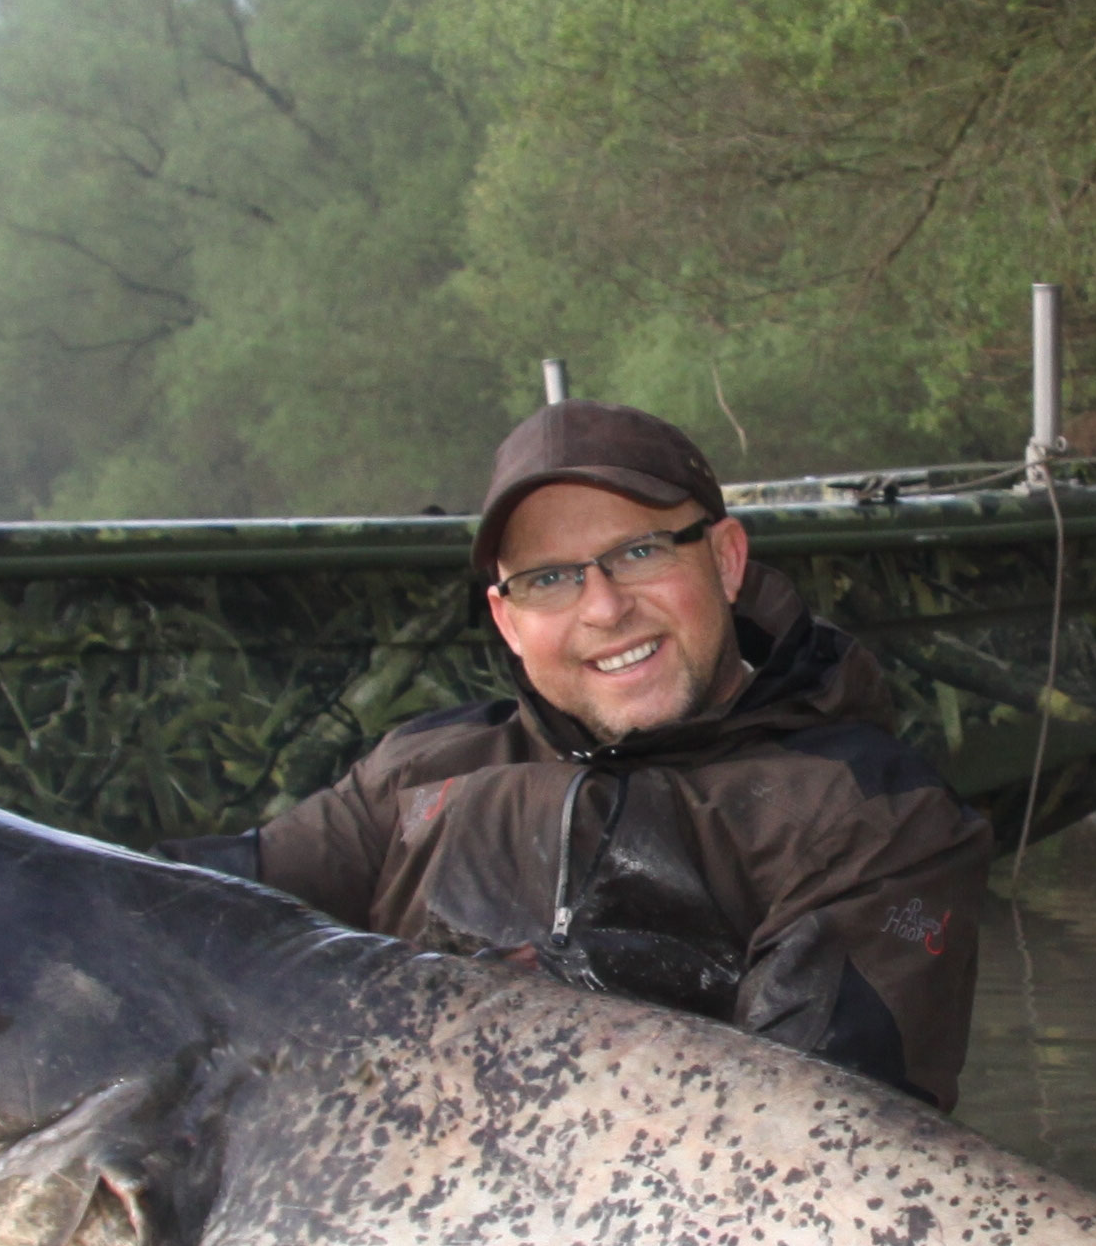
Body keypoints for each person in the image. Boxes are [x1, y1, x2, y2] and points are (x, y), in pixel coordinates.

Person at [172, 402, 988, 1108]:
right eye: (550, 579)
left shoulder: (873, 817)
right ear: (507, 621)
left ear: (727, 560)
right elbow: (179, 911)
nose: (604, 608)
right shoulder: (415, 773)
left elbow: (817, 1136)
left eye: (641, 551)